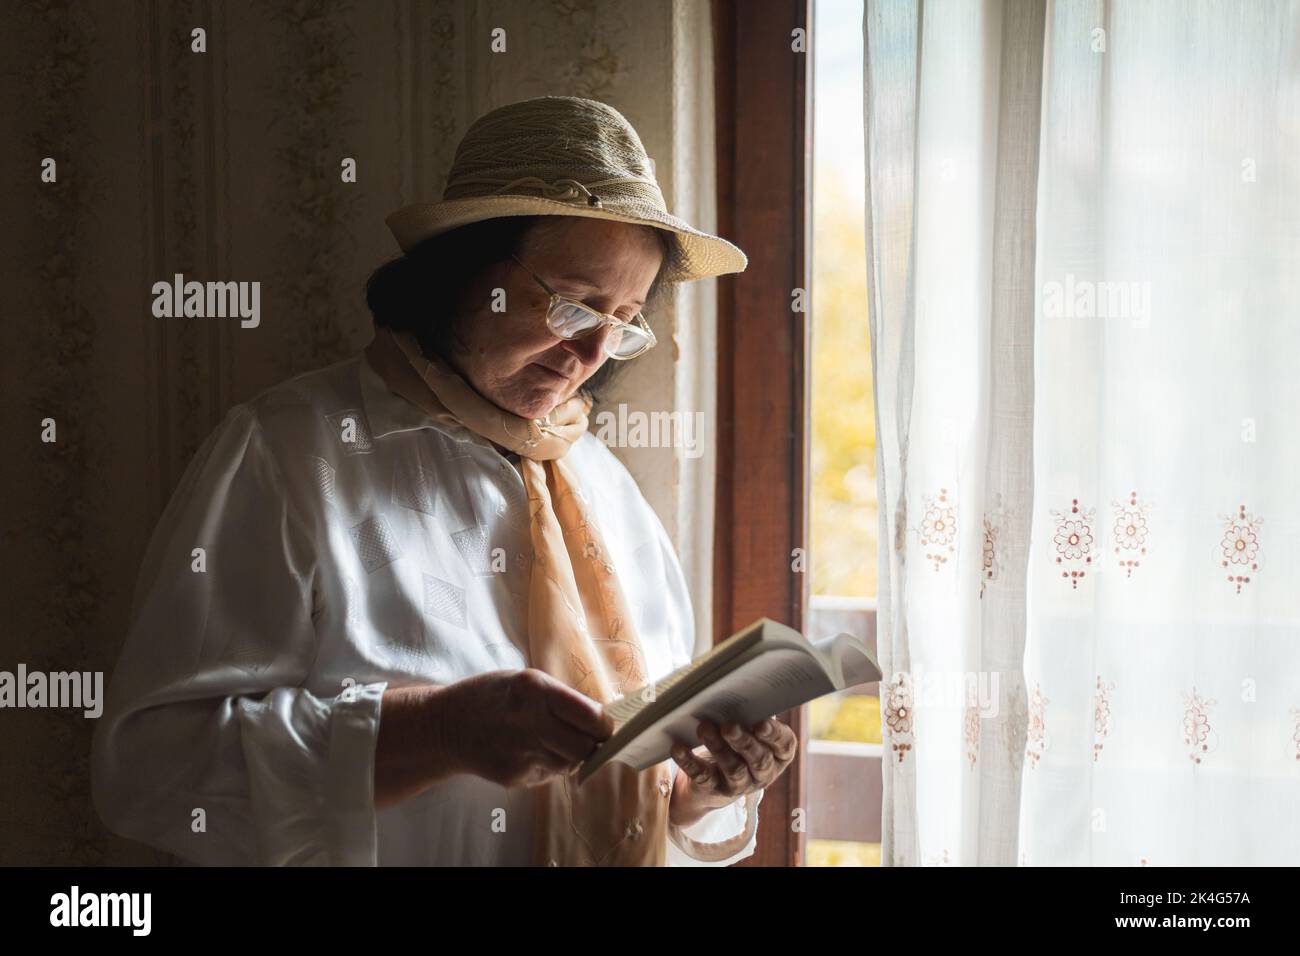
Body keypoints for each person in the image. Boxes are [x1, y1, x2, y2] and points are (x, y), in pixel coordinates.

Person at [92, 95, 796, 866]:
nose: (594, 354)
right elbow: (152, 776)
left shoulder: (609, 490)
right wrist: (437, 734)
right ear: (462, 271)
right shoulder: (287, 455)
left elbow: (656, 805)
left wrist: (707, 793)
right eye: (571, 306)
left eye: (623, 322)